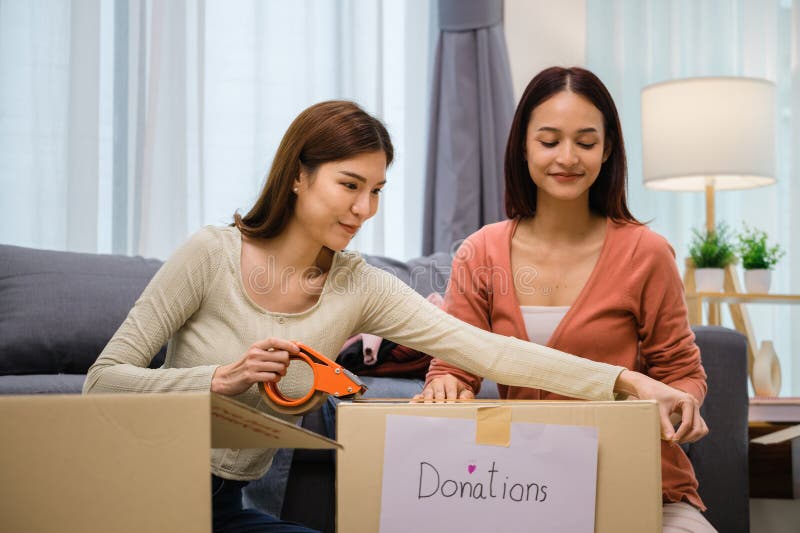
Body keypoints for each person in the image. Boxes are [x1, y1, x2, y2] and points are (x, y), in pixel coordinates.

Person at [84, 100, 707, 533]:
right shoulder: (209, 254)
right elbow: (102, 381)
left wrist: (627, 382)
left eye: (377, 190)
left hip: (220, 505)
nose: (364, 208)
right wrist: (219, 379)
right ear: (298, 176)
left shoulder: (359, 287)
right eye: (349, 184)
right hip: (141, 483)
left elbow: (487, 350)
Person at [417, 67, 714, 531]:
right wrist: (447, 386)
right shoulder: (480, 252)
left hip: (642, 486)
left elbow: (681, 372)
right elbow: (454, 366)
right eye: (550, 141)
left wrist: (681, 403)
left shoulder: (647, 253)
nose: (568, 158)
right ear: (523, 146)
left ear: (608, 149)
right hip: (522, 488)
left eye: (586, 142)